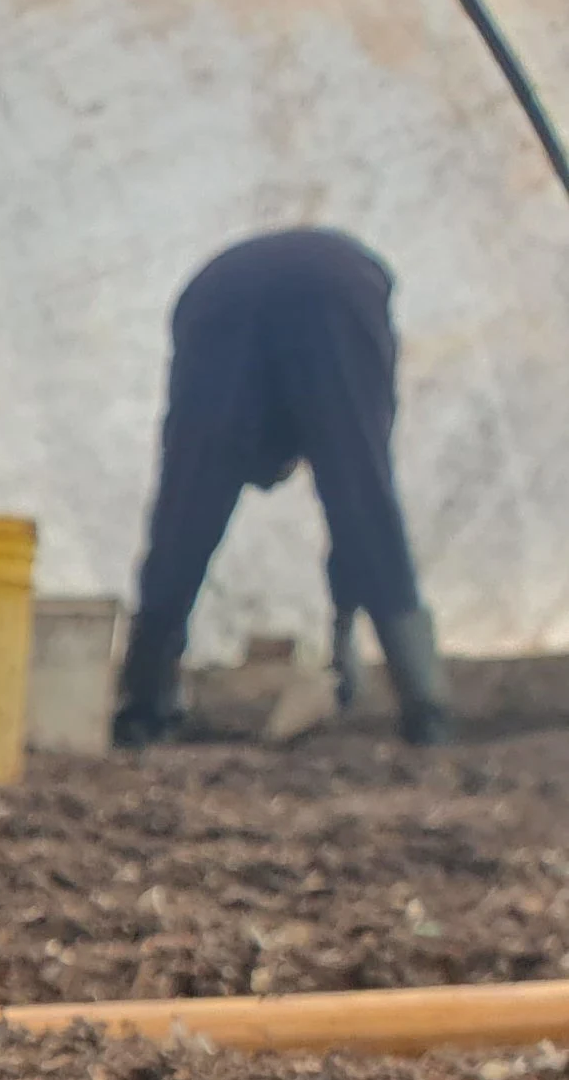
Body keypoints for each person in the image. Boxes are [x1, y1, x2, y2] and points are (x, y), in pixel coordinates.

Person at [115, 227, 449, 747]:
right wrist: (342, 635)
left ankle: (144, 700)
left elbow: (187, 501)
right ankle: (425, 705)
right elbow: (353, 506)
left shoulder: (226, 343)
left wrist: (341, 644)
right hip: (337, 289)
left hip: (220, 297)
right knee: (362, 493)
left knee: (187, 502)